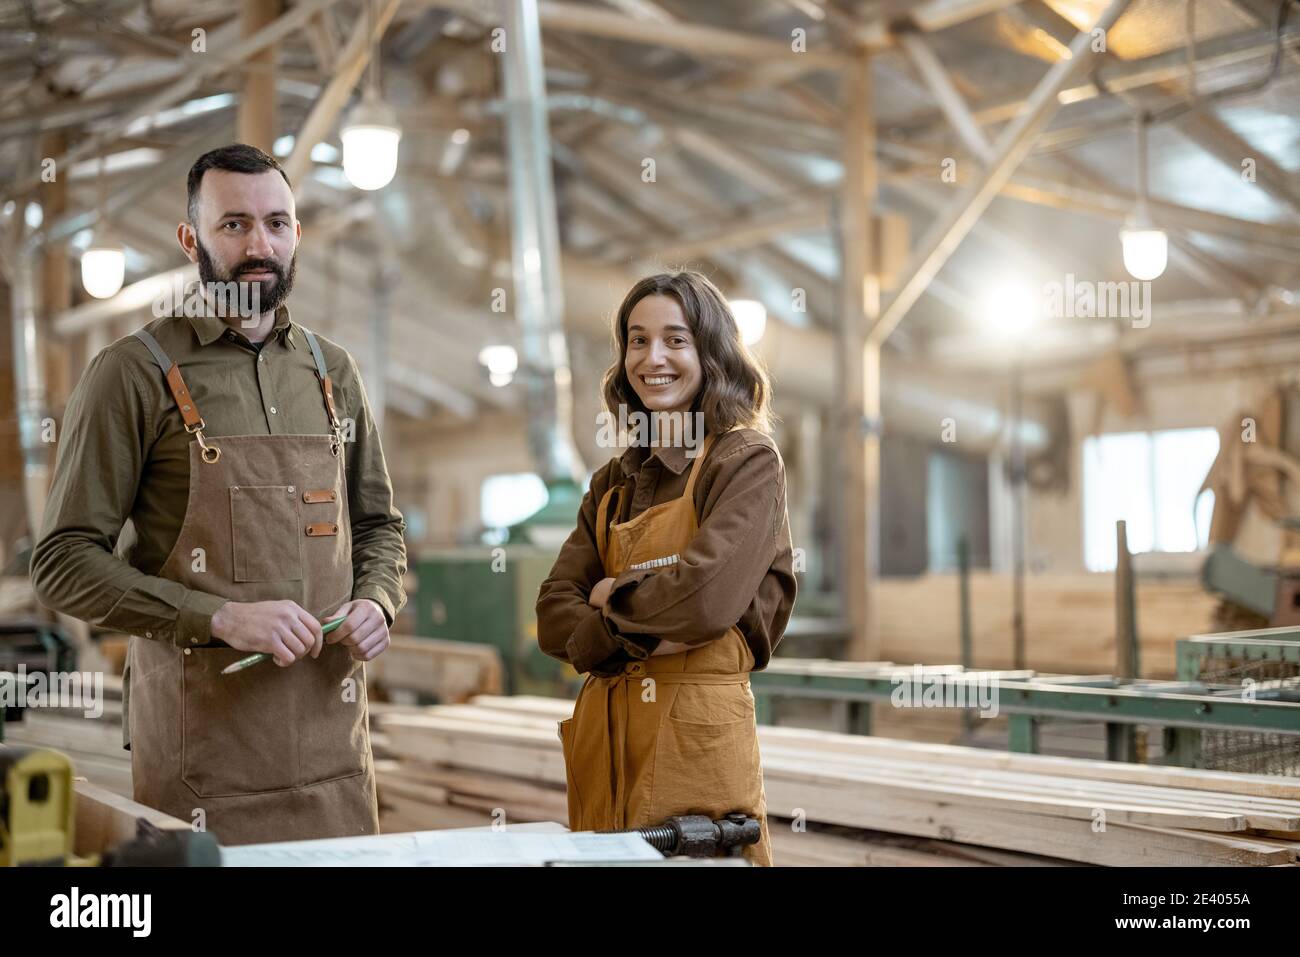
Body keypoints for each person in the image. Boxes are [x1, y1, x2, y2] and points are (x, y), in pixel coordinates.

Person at [30, 143, 407, 845]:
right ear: (190, 239)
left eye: (276, 223)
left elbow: (379, 525)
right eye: (234, 224)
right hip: (202, 761)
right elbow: (62, 562)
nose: (259, 245)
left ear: (297, 234)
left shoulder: (333, 372)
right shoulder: (132, 373)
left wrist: (378, 600)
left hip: (334, 757)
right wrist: (219, 617)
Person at [536, 270, 796, 866]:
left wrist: (607, 595)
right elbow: (552, 614)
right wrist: (652, 615)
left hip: (693, 746)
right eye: (638, 340)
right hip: (607, 747)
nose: (653, 358)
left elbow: (703, 602)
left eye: (676, 340)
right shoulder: (611, 483)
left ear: (712, 352)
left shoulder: (745, 462)